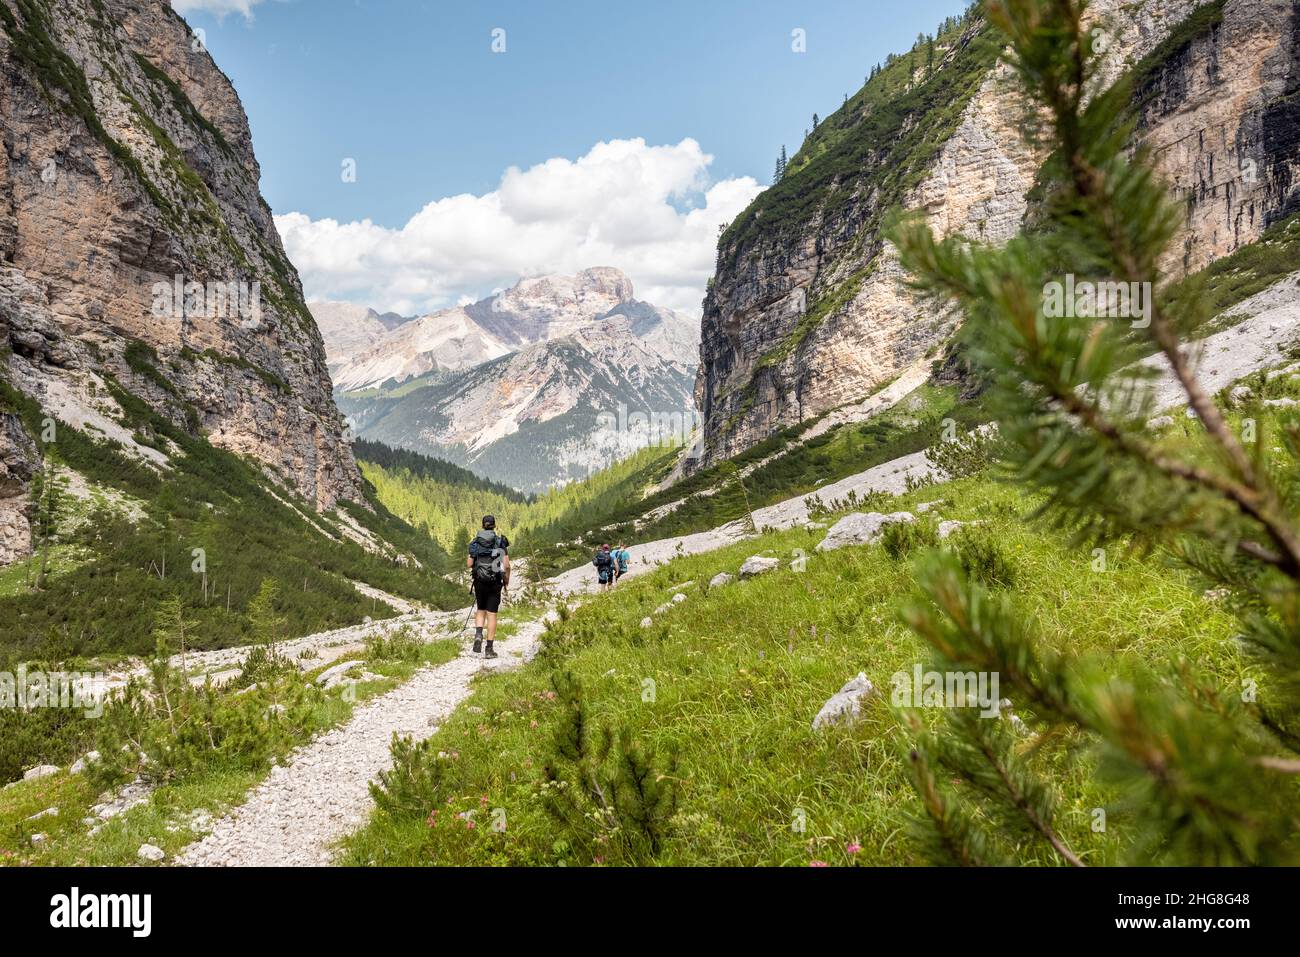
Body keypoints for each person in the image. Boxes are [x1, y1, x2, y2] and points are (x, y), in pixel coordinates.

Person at [466, 515, 510, 658]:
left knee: (481, 610)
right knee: (492, 615)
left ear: (483, 525)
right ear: (494, 526)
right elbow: (507, 565)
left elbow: (469, 564)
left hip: (479, 582)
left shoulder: (475, 543)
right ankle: (489, 649)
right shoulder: (499, 541)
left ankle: (478, 635)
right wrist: (506, 580)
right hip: (495, 582)